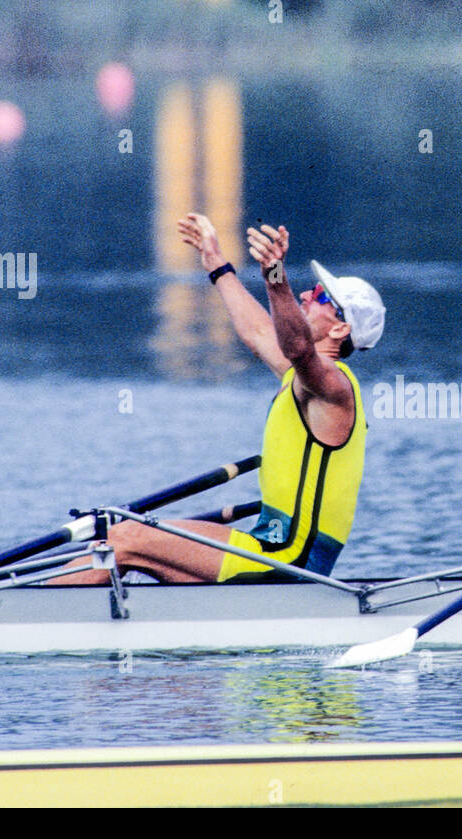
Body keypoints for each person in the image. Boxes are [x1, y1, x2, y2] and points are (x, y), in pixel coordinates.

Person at [54, 215, 384, 584]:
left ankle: (29, 621)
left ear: (340, 328)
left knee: (123, 538)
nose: (307, 294)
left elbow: (297, 348)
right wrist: (216, 264)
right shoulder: (302, 378)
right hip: (268, 549)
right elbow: (260, 333)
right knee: (124, 544)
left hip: (288, 561)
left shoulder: (334, 387)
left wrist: (274, 274)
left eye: (321, 296)